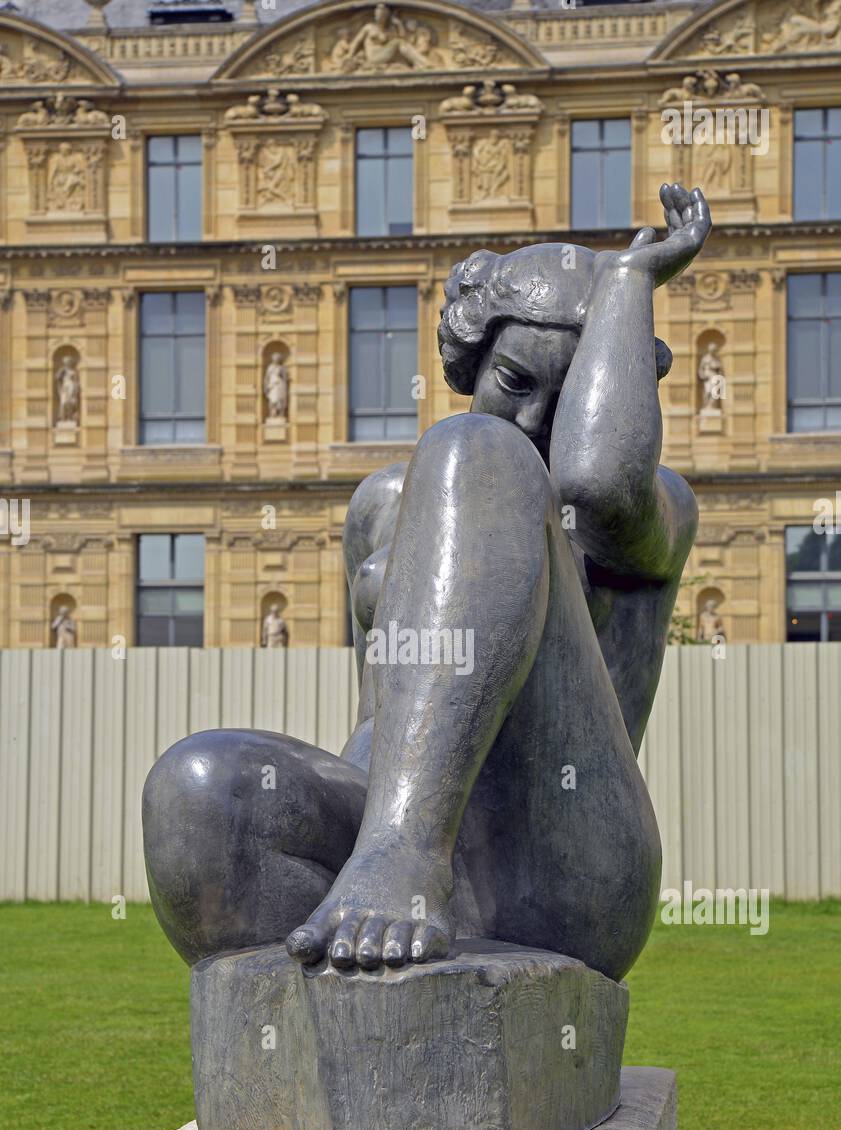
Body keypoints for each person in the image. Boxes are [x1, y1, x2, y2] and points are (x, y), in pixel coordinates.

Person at [143, 184, 710, 983]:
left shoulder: (656, 510)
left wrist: (629, 283)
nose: (532, 421)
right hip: (393, 842)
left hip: (558, 869)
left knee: (478, 454)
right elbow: (385, 710)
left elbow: (597, 478)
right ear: (471, 362)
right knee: (196, 791)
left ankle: (404, 855)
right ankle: (314, 1034)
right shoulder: (382, 504)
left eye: (568, 396)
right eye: (514, 382)